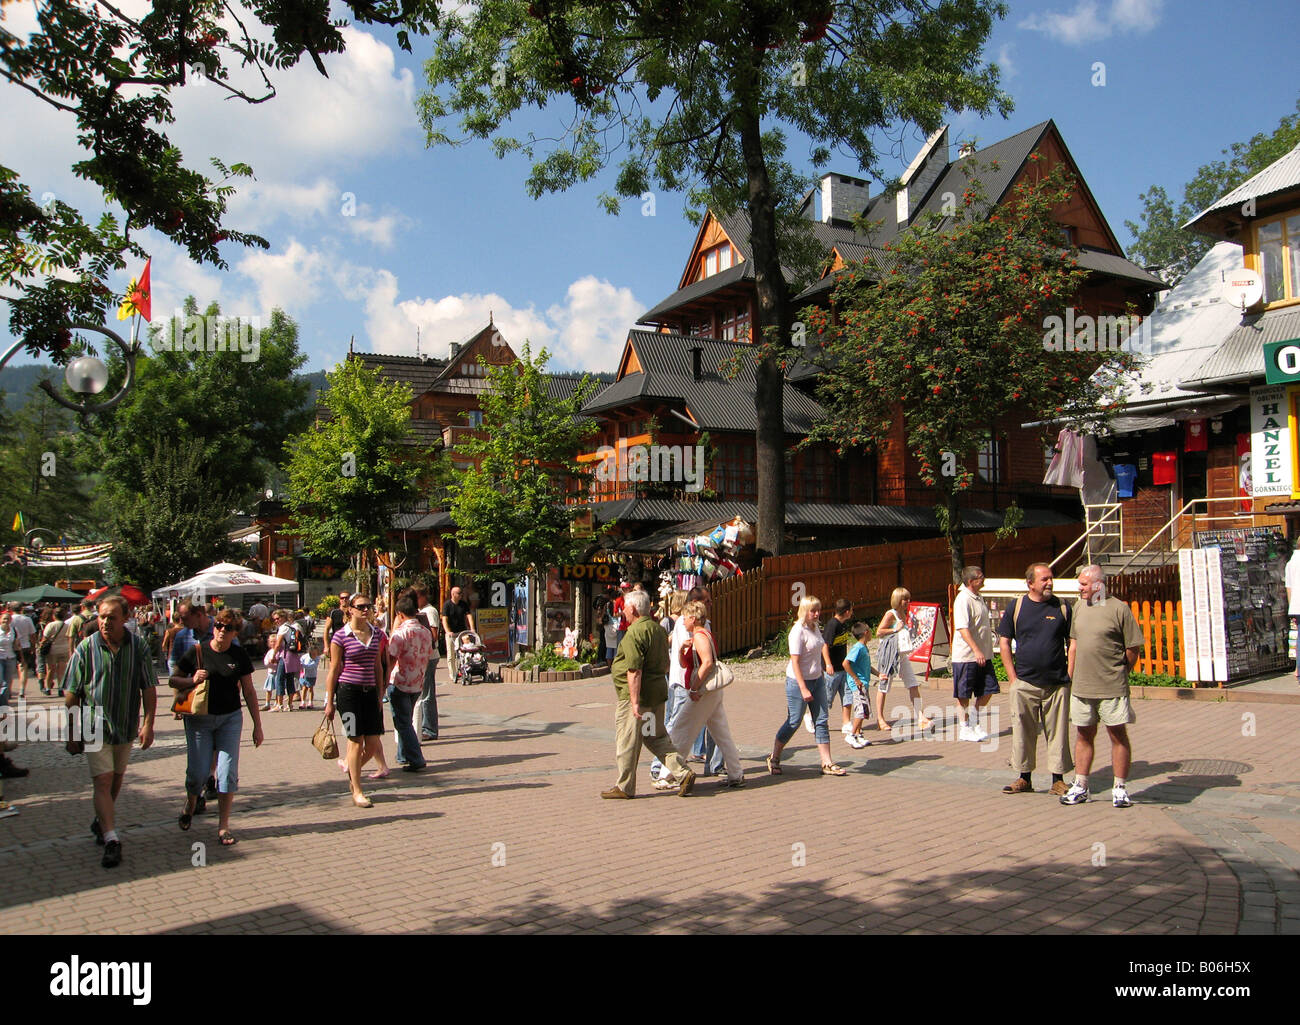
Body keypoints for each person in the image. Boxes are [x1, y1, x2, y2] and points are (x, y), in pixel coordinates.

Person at [62, 596, 159, 869]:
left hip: (126, 725)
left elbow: (149, 688)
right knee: (103, 781)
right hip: (96, 727)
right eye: (102, 616)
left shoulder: (137, 646)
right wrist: (72, 732)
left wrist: (148, 724)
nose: (105, 622)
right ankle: (112, 838)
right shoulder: (86, 648)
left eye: (111, 617)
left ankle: (101, 821)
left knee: (116, 779)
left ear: (126, 618)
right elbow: (71, 695)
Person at [170, 608, 264, 846]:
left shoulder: (238, 655)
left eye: (228, 628)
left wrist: (257, 726)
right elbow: (173, 679)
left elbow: (249, 691)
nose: (222, 631)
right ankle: (191, 802)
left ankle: (223, 826)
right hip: (199, 720)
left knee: (227, 773)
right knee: (199, 773)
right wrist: (192, 680)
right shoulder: (198, 651)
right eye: (219, 626)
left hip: (230, 720)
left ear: (235, 633)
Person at [1061, 564, 1144, 808]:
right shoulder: (1079, 607)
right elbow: (1073, 644)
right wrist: (1070, 676)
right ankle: (1081, 785)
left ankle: (1119, 788)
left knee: (1117, 735)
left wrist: (1120, 673)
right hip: (1082, 687)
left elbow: (1133, 648)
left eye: (1084, 584)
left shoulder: (1119, 609)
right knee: (1083, 734)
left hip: (1112, 687)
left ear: (1098, 585)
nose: (1080, 588)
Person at [602, 589, 695, 799]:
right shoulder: (658, 630)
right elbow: (665, 663)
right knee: (655, 737)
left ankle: (624, 786)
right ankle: (682, 772)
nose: (623, 611)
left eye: (625, 607)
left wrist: (634, 702)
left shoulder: (634, 633)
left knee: (628, 741)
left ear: (633, 608)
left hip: (637, 698)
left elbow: (634, 669)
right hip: (655, 695)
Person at [998, 563, 1073, 796]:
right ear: (1030, 583)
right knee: (1023, 732)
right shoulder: (1017, 606)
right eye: (1044, 579)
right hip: (1025, 683)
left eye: (1051, 578)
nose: (1050, 582)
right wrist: (1013, 679)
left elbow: (1073, 642)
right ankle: (1024, 777)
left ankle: (1058, 780)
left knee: (1058, 733)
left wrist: (1069, 673)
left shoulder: (1062, 607)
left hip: (1057, 684)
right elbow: (1004, 641)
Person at [666, 600, 744, 787]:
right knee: (721, 733)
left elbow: (707, 663)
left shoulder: (700, 636)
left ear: (693, 618)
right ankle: (736, 773)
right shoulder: (697, 636)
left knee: (681, 728)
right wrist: (682, 650)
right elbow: (686, 664)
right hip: (711, 692)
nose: (683, 621)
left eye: (685, 618)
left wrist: (695, 687)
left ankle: (669, 774)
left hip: (703, 691)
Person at [324, 594, 390, 808]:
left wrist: (380, 693)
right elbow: (334, 669)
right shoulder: (341, 636)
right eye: (360, 606)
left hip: (370, 692)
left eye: (368, 606)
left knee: (372, 744)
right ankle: (358, 790)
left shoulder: (377, 634)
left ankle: (353, 774)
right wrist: (329, 701)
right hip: (348, 693)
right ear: (350, 610)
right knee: (355, 740)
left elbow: (379, 666)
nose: (365, 610)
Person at [769, 596, 844, 777]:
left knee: (821, 719)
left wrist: (827, 663)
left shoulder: (815, 627)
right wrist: (803, 688)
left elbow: (822, 645)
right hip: (797, 681)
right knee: (794, 721)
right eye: (813, 611)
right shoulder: (797, 631)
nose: (817, 614)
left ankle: (826, 762)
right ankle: (775, 757)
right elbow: (795, 662)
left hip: (817, 679)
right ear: (804, 611)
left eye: (818, 610)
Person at [873, 588, 932, 734]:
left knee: (913, 684)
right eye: (905, 599)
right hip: (890, 655)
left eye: (908, 598)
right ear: (898, 600)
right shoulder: (890, 614)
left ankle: (920, 716)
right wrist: (894, 629)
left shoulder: (903, 614)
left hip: (902, 655)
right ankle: (880, 719)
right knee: (884, 686)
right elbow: (879, 632)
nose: (908, 602)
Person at [387, 589, 433, 772]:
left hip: (400, 681)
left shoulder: (401, 633)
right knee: (404, 719)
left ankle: (416, 757)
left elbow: (391, 656)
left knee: (402, 722)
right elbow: (429, 654)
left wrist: (384, 681)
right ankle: (402, 755)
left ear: (400, 614)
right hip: (417, 682)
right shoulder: (425, 632)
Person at [952, 566, 998, 742]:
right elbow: (962, 628)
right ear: (970, 582)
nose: (983, 579)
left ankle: (974, 721)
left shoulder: (979, 597)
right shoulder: (963, 599)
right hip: (966, 656)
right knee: (964, 694)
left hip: (984, 654)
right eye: (980, 577)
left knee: (988, 689)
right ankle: (964, 728)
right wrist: (976, 649)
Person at [822, 598, 855, 735]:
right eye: (851, 610)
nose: (852, 613)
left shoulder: (843, 625)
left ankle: (846, 722)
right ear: (847, 612)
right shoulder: (832, 625)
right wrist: (828, 664)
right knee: (827, 697)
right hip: (832, 670)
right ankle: (813, 717)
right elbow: (824, 646)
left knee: (847, 695)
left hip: (843, 667)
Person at [842, 622, 874, 749]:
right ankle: (851, 735)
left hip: (864, 684)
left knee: (864, 709)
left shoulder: (864, 647)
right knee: (860, 710)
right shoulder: (858, 648)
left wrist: (878, 674)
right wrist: (856, 679)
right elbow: (845, 664)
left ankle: (859, 734)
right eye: (870, 630)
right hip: (858, 685)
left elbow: (867, 666)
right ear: (866, 633)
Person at [415, 587, 441, 741]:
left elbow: (434, 635)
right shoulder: (421, 610)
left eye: (416, 596)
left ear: (423, 596)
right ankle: (424, 726)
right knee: (424, 692)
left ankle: (429, 729)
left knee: (427, 693)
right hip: (424, 656)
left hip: (430, 656)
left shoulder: (429, 611)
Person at [440, 585, 475, 683]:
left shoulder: (463, 604)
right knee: (451, 655)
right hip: (451, 633)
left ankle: (467, 669)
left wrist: (472, 628)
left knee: (467, 650)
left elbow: (469, 616)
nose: (461, 595)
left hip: (462, 631)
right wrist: (447, 631)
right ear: (453, 594)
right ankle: (453, 674)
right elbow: (444, 619)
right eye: (459, 593)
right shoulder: (447, 605)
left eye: (461, 593)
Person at [41, 608, 72, 695]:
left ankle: (47, 688)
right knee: (61, 670)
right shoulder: (67, 626)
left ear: (54, 616)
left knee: (50, 669)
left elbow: (45, 637)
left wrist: (41, 646)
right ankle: (60, 688)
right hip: (64, 649)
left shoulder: (51, 625)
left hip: (52, 650)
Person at [8, 603, 34, 699]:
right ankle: (22, 690)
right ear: (21, 609)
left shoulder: (9, 619)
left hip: (11, 646)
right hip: (25, 645)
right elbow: (32, 634)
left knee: (10, 669)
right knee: (23, 668)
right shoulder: (27, 619)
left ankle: (9, 690)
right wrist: (33, 646)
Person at [1286, 538, 1300, 681]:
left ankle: (1298, 669)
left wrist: (1291, 608)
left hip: (1296, 605)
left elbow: (1288, 587)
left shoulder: (1290, 563)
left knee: (1299, 638)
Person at [0, 611, 16, 707]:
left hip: (10, 658)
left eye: (8, 619)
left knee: (7, 682)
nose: (6, 620)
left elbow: (17, 645)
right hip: (0, 658)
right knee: (0, 681)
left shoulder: (13, 630)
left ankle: (4, 704)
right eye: (4, 618)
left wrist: (22, 658)